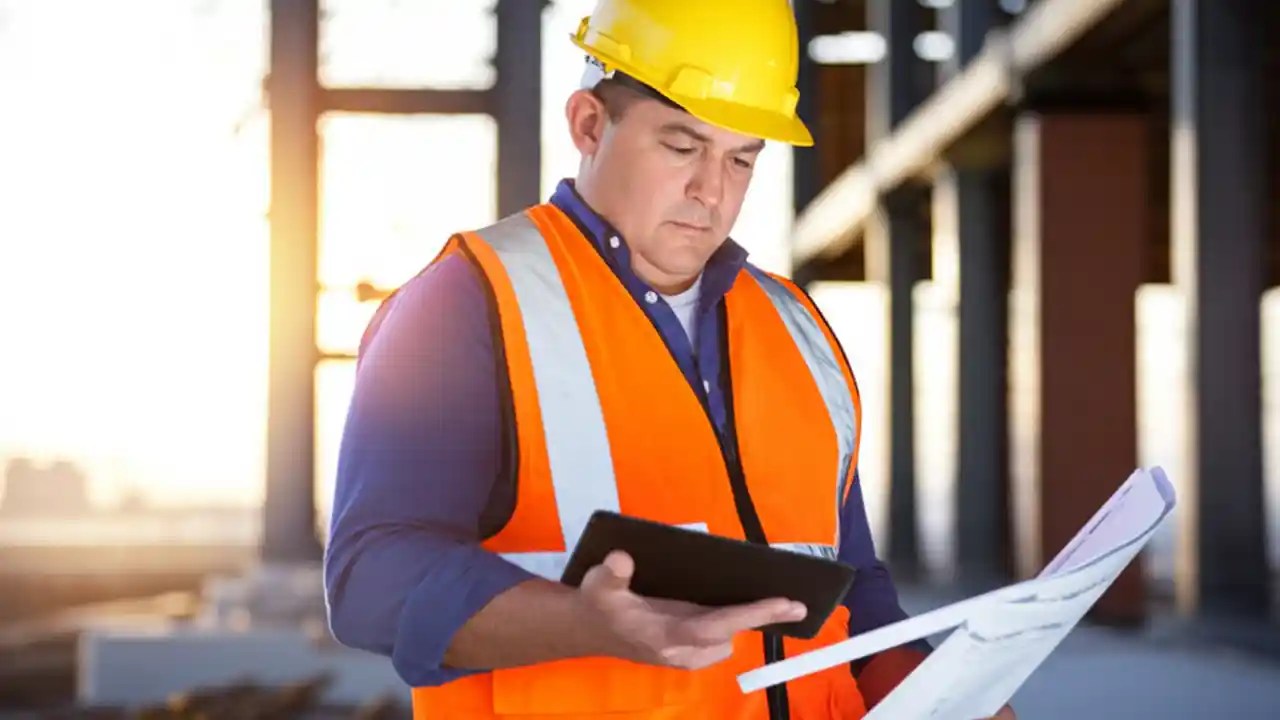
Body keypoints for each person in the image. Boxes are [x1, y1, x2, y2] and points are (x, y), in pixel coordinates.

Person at [324, 1, 1016, 718]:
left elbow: (853, 592)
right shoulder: (469, 305)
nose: (711, 192)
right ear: (589, 124)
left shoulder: (797, 329)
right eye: (682, 146)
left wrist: (944, 698)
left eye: (741, 158)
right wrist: (579, 622)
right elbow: (369, 580)